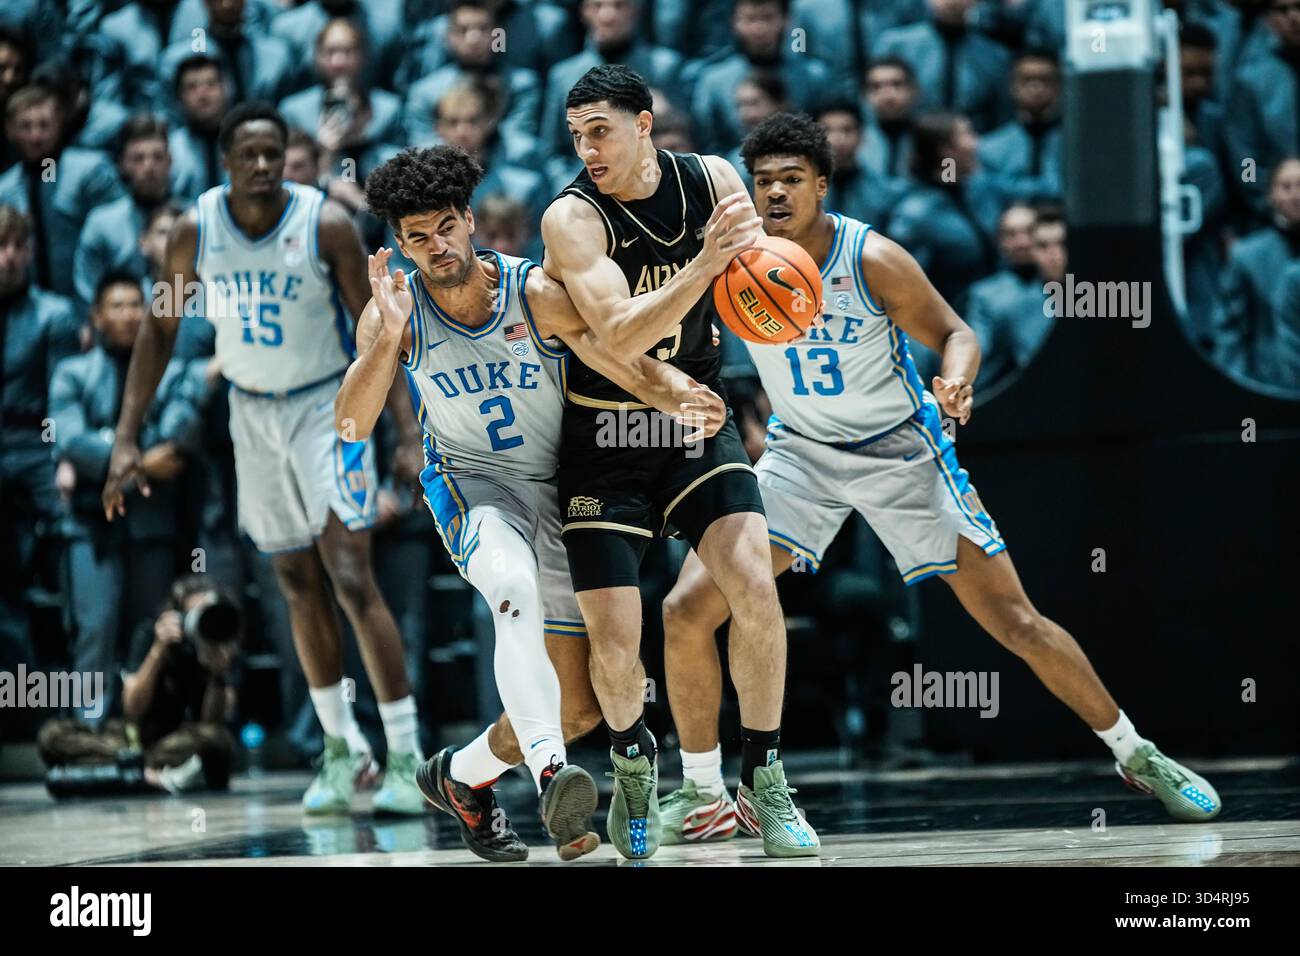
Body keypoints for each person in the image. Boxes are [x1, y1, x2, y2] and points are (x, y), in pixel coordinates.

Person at [658, 113, 1222, 846]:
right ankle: (706, 794)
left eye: (791, 179)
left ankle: (1137, 754)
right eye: (762, 180)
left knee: (1015, 621)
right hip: (802, 454)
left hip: (902, 452)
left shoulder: (873, 258)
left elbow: (958, 332)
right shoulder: (731, 261)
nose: (774, 192)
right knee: (686, 608)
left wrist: (955, 383)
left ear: (822, 186)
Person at [335, 143, 726, 860]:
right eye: (417, 236)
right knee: (508, 591)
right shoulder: (395, 312)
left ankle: (460, 775)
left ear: (469, 219)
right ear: (398, 243)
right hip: (474, 489)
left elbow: (612, 355)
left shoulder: (534, 290)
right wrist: (384, 341)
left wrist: (673, 395)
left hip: (563, 489)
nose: (436, 246)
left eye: (446, 226)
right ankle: (553, 775)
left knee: (572, 707)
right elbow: (352, 424)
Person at [100, 102, 427, 817]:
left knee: (349, 572)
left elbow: (381, 335)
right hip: (250, 411)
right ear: (225, 160)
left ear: (286, 156)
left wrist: (404, 433)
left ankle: (405, 752)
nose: (261, 165)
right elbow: (159, 329)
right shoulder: (193, 231)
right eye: (247, 154)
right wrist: (126, 436)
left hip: (329, 406)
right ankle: (343, 751)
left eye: (272, 153)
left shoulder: (327, 224)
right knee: (295, 581)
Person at [540, 64, 819, 859]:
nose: (587, 148)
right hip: (604, 433)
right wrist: (700, 265)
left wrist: (775, 295)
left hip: (695, 416)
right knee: (617, 644)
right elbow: (620, 333)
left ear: (644, 124)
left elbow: (758, 274)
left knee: (754, 584)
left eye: (600, 130)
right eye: (575, 135)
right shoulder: (572, 218)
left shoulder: (714, 178)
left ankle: (763, 781)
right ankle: (633, 762)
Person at [51, 271, 203, 724]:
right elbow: (70, 442)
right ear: (96, 316)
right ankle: (90, 733)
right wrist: (138, 459)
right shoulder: (72, 372)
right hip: (89, 525)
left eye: (136, 305)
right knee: (94, 631)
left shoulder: (171, 369)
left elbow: (176, 441)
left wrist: (114, 458)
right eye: (116, 306)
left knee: (150, 632)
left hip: (153, 527)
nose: (127, 314)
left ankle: (146, 731)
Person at [38, 574, 242, 796]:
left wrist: (217, 674)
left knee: (218, 741)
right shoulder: (150, 635)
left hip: (176, 743)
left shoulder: (219, 644)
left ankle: (119, 772)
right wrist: (158, 651)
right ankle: (145, 773)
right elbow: (132, 708)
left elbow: (210, 724)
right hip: (130, 739)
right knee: (52, 735)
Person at [0, 204, 80, 670]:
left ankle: (78, 677)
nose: (8, 257)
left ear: (30, 251)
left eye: (17, 246)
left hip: (38, 445)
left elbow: (62, 396)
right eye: (1, 247)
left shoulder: (55, 314)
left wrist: (63, 457)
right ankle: (17, 694)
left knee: (73, 534)